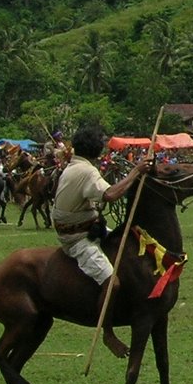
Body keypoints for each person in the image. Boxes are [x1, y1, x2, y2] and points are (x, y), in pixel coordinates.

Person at [51, 123, 151, 360]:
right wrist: (136, 171)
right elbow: (111, 194)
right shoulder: (86, 171)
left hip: (89, 227)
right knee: (113, 283)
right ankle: (108, 333)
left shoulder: (77, 165)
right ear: (96, 149)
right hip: (77, 238)